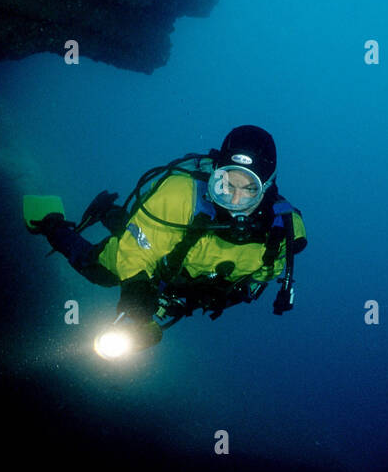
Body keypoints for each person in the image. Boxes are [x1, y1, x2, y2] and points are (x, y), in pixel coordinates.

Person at [25, 125, 306, 353]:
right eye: (226, 184)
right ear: (216, 173)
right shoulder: (179, 193)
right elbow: (138, 247)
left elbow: (268, 273)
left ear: (267, 187)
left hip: (182, 279)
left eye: (249, 190)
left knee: (151, 234)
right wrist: (135, 293)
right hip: (154, 263)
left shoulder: (283, 232)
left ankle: (110, 213)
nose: (234, 200)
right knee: (100, 271)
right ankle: (51, 224)